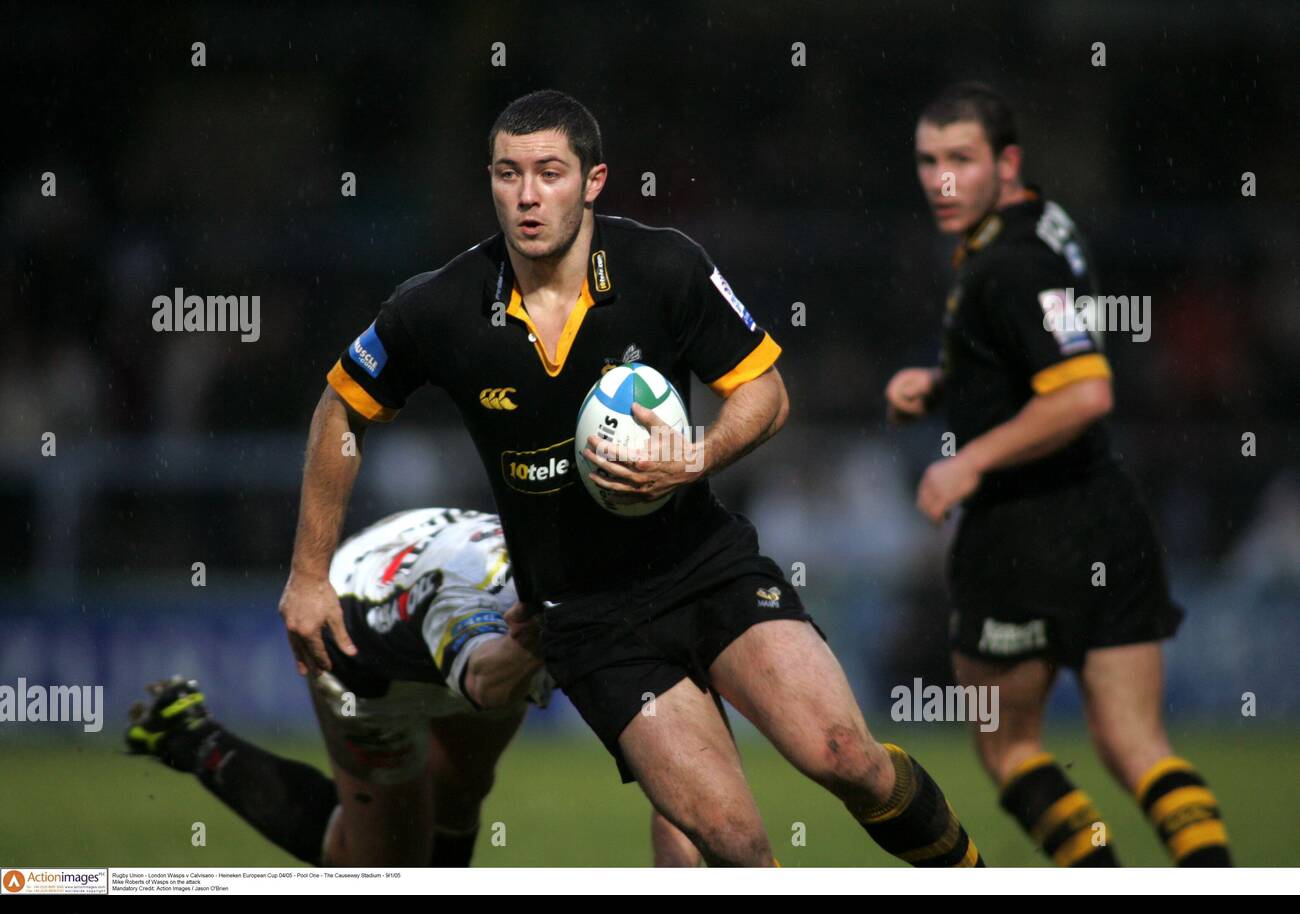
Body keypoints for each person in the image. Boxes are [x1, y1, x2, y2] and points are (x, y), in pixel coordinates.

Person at [279, 89, 984, 867]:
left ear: (594, 180)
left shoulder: (663, 266)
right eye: (508, 174)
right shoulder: (438, 307)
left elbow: (766, 391)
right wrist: (309, 572)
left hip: (705, 566)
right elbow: (339, 411)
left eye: (550, 172)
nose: (528, 195)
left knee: (846, 753)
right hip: (586, 621)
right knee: (733, 841)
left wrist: (697, 456)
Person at [885, 81, 1230, 866]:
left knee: (1011, 748)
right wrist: (944, 386)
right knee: (1137, 744)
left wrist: (967, 457)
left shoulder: (1011, 262)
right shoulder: (1043, 222)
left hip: (1020, 532)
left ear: (1006, 162)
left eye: (961, 160)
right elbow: (1041, 353)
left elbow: (1083, 390)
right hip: (1109, 509)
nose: (941, 180)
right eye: (927, 161)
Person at [128, 506, 696, 866]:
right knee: (382, 866)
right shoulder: (485, 607)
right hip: (364, 645)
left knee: (461, 792)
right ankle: (190, 735)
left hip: (468, 610)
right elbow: (484, 680)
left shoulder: (631, 602)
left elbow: (680, 778)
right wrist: (541, 642)